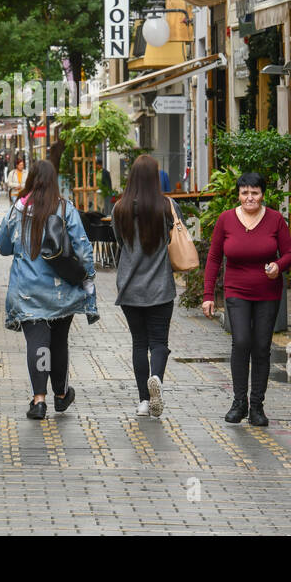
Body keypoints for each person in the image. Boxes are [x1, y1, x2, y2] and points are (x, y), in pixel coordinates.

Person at [0, 160, 96, 420]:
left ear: (31, 180)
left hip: (27, 290)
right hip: (61, 292)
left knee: (39, 344)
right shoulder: (65, 208)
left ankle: (39, 400)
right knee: (59, 343)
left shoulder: (17, 210)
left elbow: (2, 246)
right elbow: (83, 248)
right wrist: (87, 277)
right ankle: (61, 395)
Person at [201, 172, 291, 427]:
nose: (249, 197)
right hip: (236, 291)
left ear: (262, 194)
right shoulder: (226, 219)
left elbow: (289, 253)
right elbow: (213, 258)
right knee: (241, 342)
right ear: (239, 195)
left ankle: (257, 406)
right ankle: (238, 402)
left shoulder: (275, 219)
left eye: (254, 193)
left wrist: (278, 265)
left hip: (268, 293)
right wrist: (208, 294)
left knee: (262, 347)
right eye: (245, 193)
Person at [112, 154, 176, 418]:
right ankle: (157, 379)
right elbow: (173, 234)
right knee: (159, 341)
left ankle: (143, 401)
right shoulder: (166, 206)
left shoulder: (120, 209)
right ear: (155, 177)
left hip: (130, 288)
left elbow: (118, 240)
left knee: (139, 343)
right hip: (160, 286)